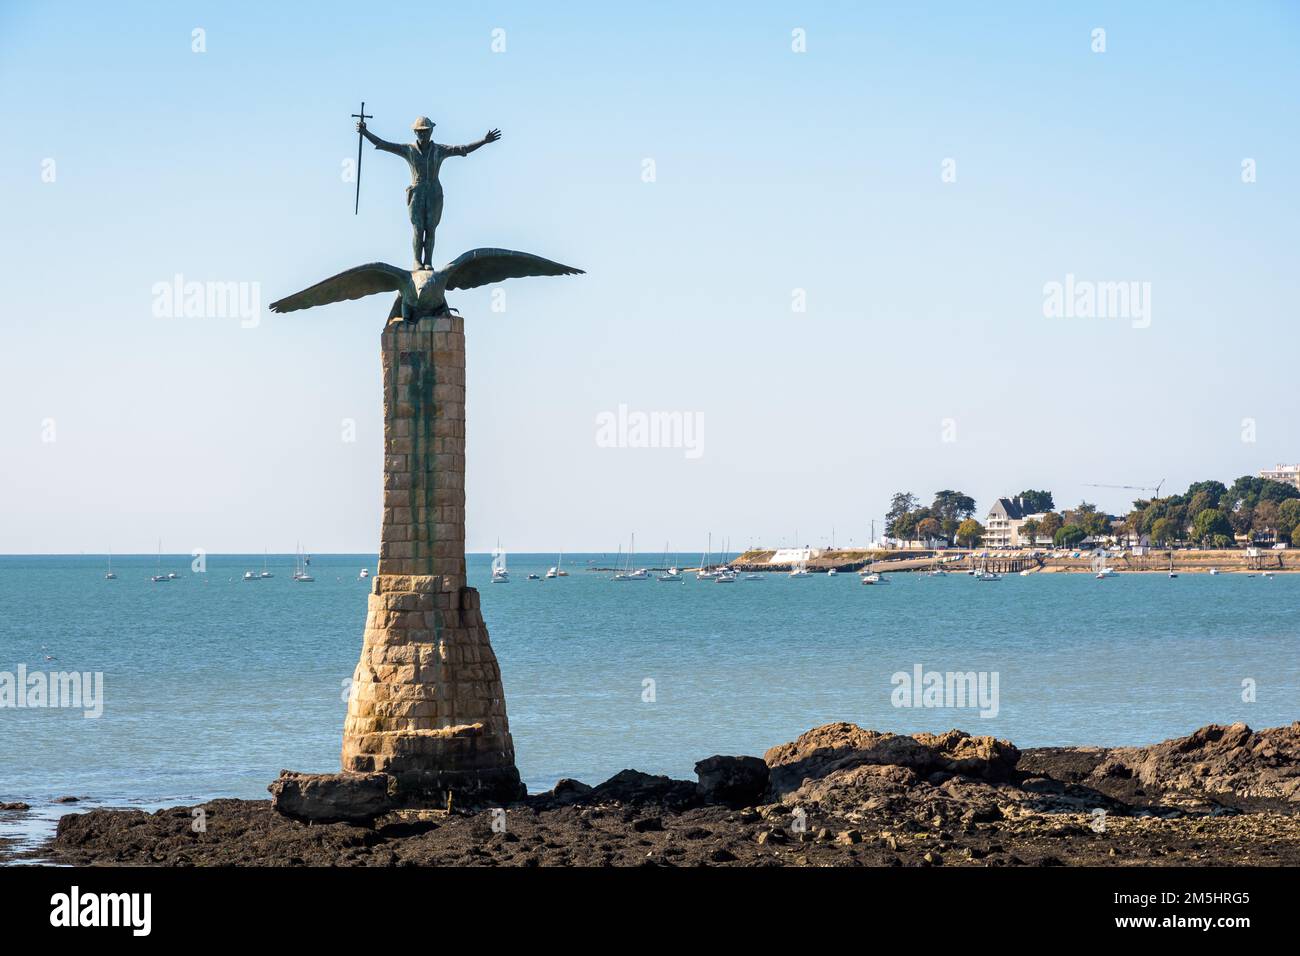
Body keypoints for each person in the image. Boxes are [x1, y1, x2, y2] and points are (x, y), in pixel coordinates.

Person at [356, 115, 502, 269]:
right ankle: (417, 261)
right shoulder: (409, 150)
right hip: (417, 193)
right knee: (418, 228)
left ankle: (428, 261)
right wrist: (365, 132)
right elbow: (383, 144)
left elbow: (463, 149)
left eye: (426, 131)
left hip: (434, 193)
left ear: (432, 131)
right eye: (420, 131)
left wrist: (484, 141)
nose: (423, 134)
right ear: (415, 133)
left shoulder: (439, 150)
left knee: (431, 228)